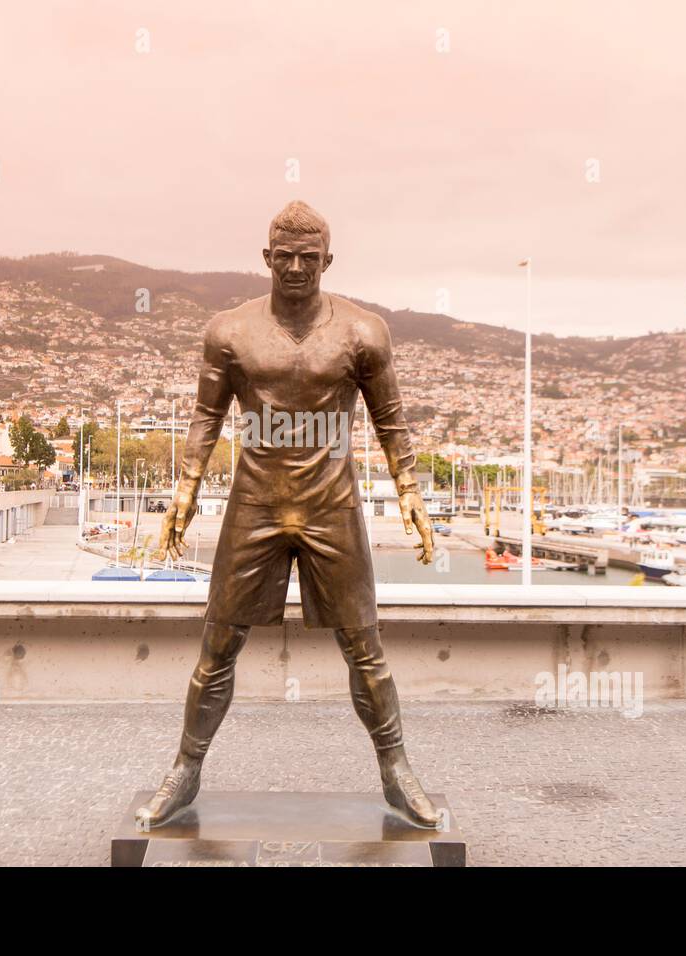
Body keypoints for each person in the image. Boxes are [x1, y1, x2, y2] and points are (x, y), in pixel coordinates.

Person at [139, 200, 441, 829]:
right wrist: (186, 488)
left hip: (332, 504)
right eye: (285, 256)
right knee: (218, 644)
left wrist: (408, 489)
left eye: (309, 257)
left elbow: (391, 418)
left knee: (365, 647)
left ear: (327, 260)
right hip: (255, 502)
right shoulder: (230, 331)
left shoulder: (364, 332)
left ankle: (396, 768)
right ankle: (186, 768)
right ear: (267, 258)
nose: (297, 267)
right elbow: (206, 417)